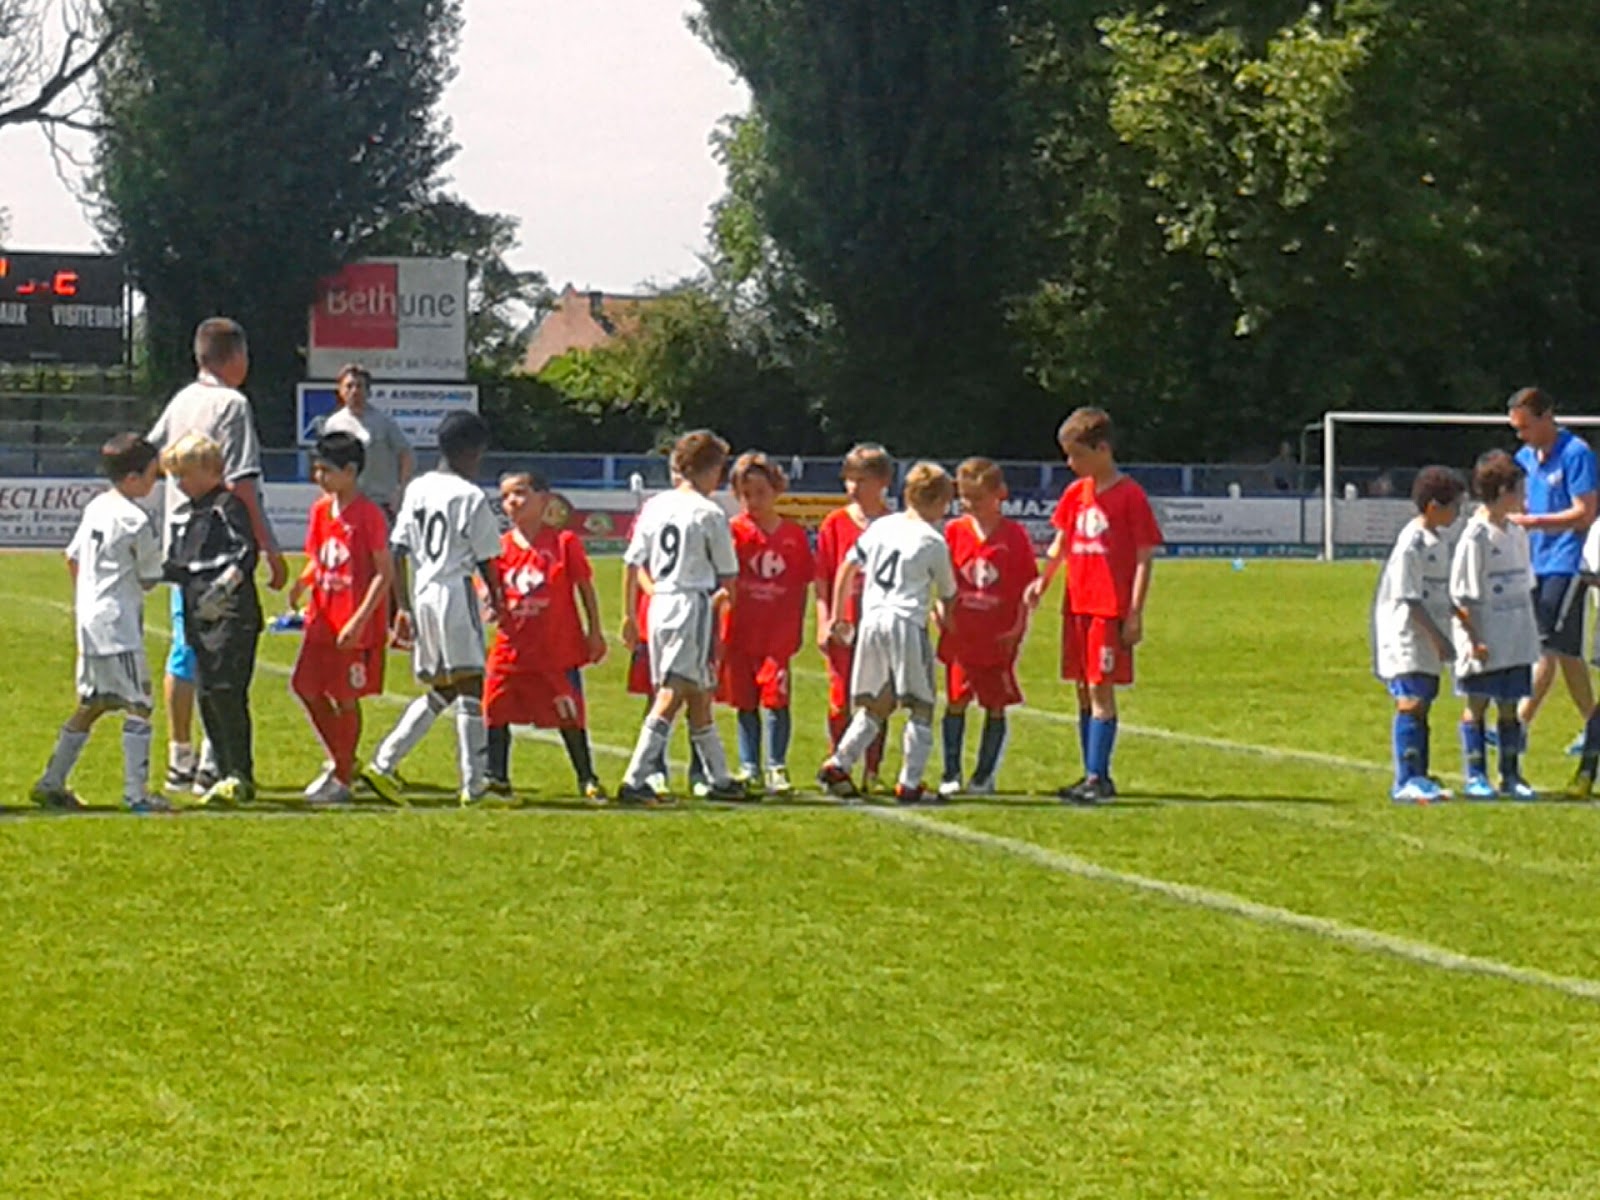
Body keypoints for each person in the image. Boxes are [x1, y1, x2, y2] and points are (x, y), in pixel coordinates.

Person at [147, 317, 285, 793]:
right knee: (219, 653)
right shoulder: (232, 403)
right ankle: (219, 760)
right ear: (234, 357)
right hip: (221, 548)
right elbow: (242, 481)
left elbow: (153, 457)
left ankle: (182, 756)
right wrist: (268, 546)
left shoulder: (181, 400)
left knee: (185, 651)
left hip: (180, 549)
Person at [361, 411, 505, 806]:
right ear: (473, 451)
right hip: (455, 592)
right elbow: (487, 557)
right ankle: (474, 785)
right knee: (472, 684)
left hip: (423, 593)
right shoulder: (470, 496)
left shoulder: (418, 488)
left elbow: (398, 549)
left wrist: (403, 606)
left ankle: (383, 762)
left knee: (444, 687)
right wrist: (499, 597)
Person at [1026, 407, 1163, 805]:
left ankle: (1098, 777)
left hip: (1108, 608)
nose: (1071, 464)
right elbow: (1062, 543)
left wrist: (1134, 612)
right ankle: (1089, 773)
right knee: (1083, 690)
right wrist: (1043, 580)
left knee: (1101, 691)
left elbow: (1143, 556)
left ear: (1102, 449)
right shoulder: (1075, 494)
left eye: (1078, 455)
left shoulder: (1129, 496)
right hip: (1078, 606)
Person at [31, 433, 168, 811]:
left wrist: (88, 596)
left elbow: (71, 557)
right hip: (118, 626)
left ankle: (51, 781)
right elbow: (150, 578)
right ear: (132, 478)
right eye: (153, 475)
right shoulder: (136, 519)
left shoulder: (97, 506)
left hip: (90, 621)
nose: (156, 483)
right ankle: (136, 794)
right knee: (140, 704)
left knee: (93, 703)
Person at [616, 430, 747, 806]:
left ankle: (719, 777)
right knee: (673, 693)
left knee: (699, 692)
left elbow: (632, 563)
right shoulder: (709, 513)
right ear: (710, 469)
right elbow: (728, 574)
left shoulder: (656, 505)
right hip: (692, 603)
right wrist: (724, 600)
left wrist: (628, 614)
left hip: (660, 602)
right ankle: (635, 778)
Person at [816, 461, 958, 804]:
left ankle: (839, 762)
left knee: (874, 703)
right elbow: (950, 593)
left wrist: (838, 615)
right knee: (920, 705)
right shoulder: (932, 541)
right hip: (906, 622)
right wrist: (945, 619)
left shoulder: (882, 527)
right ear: (939, 501)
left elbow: (848, 566)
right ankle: (910, 783)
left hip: (872, 619)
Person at [483, 471, 608, 802]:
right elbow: (488, 588)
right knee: (496, 710)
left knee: (569, 713)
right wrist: (488, 602)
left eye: (521, 493)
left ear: (543, 498)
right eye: (506, 496)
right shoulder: (498, 547)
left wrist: (594, 631)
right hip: (512, 648)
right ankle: (497, 776)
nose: (513, 502)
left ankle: (587, 777)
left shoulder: (564, 543)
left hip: (556, 647)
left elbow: (585, 588)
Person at [288, 432, 395, 805]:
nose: (319, 477)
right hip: (321, 619)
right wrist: (302, 583)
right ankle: (341, 761)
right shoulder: (321, 510)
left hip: (353, 625)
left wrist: (361, 619)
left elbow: (384, 572)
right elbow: (318, 556)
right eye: (316, 469)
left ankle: (343, 777)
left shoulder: (369, 515)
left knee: (345, 697)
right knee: (305, 686)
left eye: (327, 470)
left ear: (351, 471)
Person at [160, 432, 263, 806]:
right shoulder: (185, 515)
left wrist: (219, 594)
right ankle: (221, 768)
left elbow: (246, 553)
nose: (179, 483)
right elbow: (177, 565)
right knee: (205, 692)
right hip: (195, 617)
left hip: (230, 617)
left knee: (226, 692)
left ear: (209, 470)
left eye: (184, 474)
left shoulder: (227, 505)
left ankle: (240, 773)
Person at [937, 458, 1038, 797]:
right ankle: (951, 773)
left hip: (997, 636)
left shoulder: (1014, 536)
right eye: (964, 497)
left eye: (977, 498)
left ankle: (984, 775)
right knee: (955, 700)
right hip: (961, 635)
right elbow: (938, 578)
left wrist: (1018, 627)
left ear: (999, 495)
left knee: (995, 703)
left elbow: (1027, 589)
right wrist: (939, 609)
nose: (969, 505)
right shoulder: (953, 532)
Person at [1507, 387, 1597, 743]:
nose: (1521, 435)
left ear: (1547, 418)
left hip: (1566, 562)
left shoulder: (1576, 454)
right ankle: (1594, 726)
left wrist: (1535, 523)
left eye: (1526, 427)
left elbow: (1585, 512)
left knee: (1546, 644)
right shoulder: (1525, 458)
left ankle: (1518, 724)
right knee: (1566, 650)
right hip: (1534, 561)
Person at [719, 452, 813, 795]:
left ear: (776, 490)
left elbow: (802, 584)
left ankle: (776, 765)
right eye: (745, 494)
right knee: (744, 701)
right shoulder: (733, 532)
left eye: (759, 492)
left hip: (777, 632)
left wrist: (798, 627)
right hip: (740, 630)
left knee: (776, 697)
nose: (752, 501)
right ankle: (749, 765)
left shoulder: (794, 535)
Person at [1371, 466, 1465, 804]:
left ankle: (1420, 774)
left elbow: (1440, 593)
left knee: (1424, 701)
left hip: (1428, 634)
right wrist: (1440, 638)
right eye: (1454, 506)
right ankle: (1405, 779)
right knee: (1410, 702)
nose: (1458, 513)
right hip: (1406, 635)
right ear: (1433, 506)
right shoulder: (1411, 544)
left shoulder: (1437, 540)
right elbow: (1410, 599)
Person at [1451, 450, 1540, 801]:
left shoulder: (1517, 532)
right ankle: (1476, 775)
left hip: (1515, 636)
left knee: (1509, 705)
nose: (1524, 498)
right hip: (1485, 637)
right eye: (1519, 490)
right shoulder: (1476, 537)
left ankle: (1511, 774)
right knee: (1477, 704)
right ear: (1503, 491)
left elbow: (1523, 584)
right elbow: (1462, 596)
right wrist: (1474, 639)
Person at [815, 443, 894, 793]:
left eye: (861, 480)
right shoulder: (835, 523)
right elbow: (823, 577)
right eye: (848, 479)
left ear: (882, 482)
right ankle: (838, 765)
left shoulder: (895, 525)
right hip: (843, 624)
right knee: (839, 698)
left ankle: (872, 771)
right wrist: (824, 618)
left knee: (876, 699)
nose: (853, 488)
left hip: (880, 626)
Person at [320, 363, 414, 518]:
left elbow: (406, 456)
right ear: (340, 391)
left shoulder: (384, 422)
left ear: (368, 391)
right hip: (344, 504)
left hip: (378, 503)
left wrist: (400, 492)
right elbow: (325, 463)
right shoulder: (333, 424)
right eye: (349, 386)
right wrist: (327, 495)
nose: (354, 391)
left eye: (360, 386)